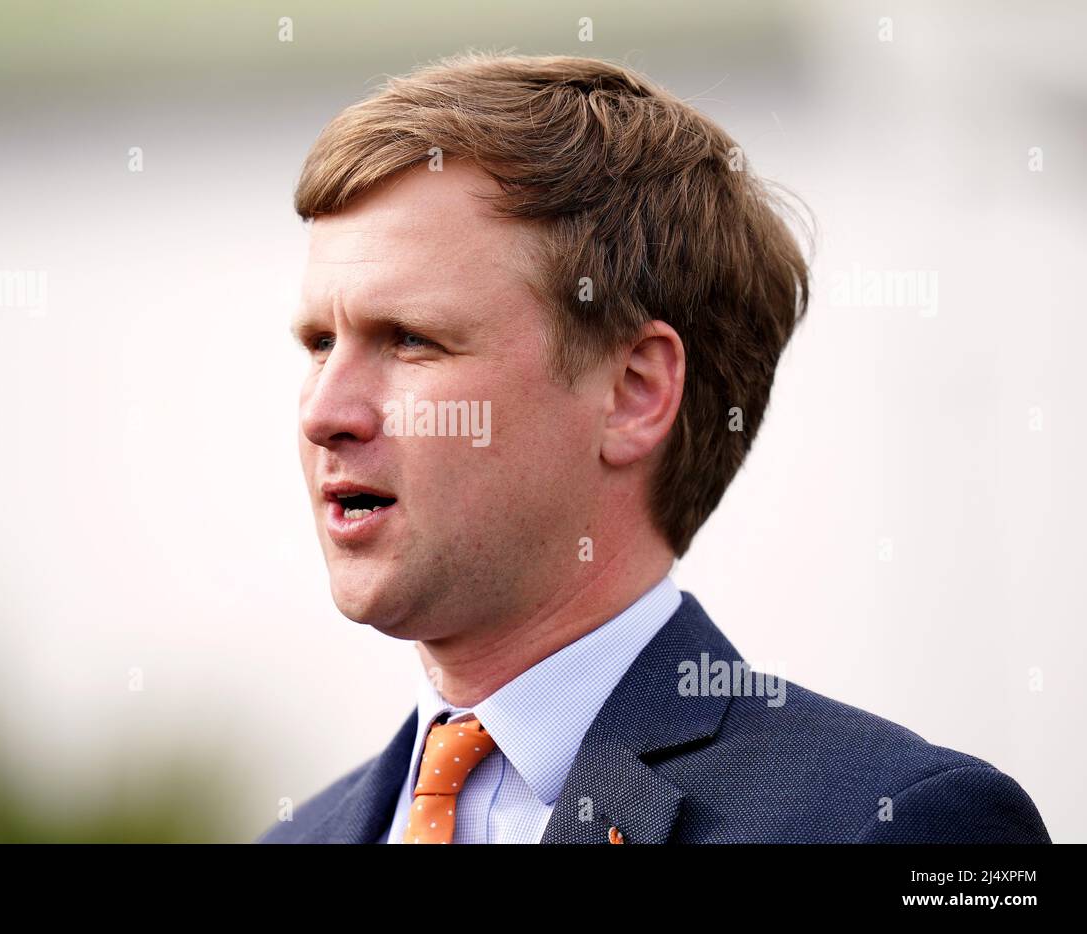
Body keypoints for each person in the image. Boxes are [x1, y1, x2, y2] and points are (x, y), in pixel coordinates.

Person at [258, 52, 1050, 844]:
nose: (326, 411)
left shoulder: (900, 825)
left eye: (411, 340)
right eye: (320, 343)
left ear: (634, 393)